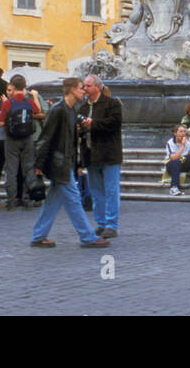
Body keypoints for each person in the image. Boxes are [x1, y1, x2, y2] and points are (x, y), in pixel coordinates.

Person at [28, 77, 108, 249]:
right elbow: (45, 139)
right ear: (72, 90)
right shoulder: (58, 111)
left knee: (53, 202)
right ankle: (87, 237)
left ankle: (38, 235)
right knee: (73, 201)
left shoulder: (71, 110)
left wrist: (77, 163)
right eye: (81, 88)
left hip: (65, 163)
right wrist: (38, 166)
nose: (83, 91)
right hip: (59, 165)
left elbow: (71, 142)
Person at [78, 75, 123, 239]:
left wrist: (93, 124)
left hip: (109, 154)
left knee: (111, 190)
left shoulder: (112, 104)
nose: (84, 89)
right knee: (96, 191)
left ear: (97, 87)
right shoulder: (82, 108)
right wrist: (80, 129)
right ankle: (101, 223)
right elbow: (80, 128)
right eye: (84, 86)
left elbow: (114, 124)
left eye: (88, 86)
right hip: (91, 155)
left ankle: (112, 225)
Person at [1, 77, 42, 211]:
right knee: (28, 169)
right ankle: (27, 199)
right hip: (28, 138)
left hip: (11, 139)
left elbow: (1, 122)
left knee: (11, 170)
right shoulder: (29, 102)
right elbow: (37, 110)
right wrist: (34, 96)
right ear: (25, 87)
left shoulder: (8, 103)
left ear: (12, 87)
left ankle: (11, 201)